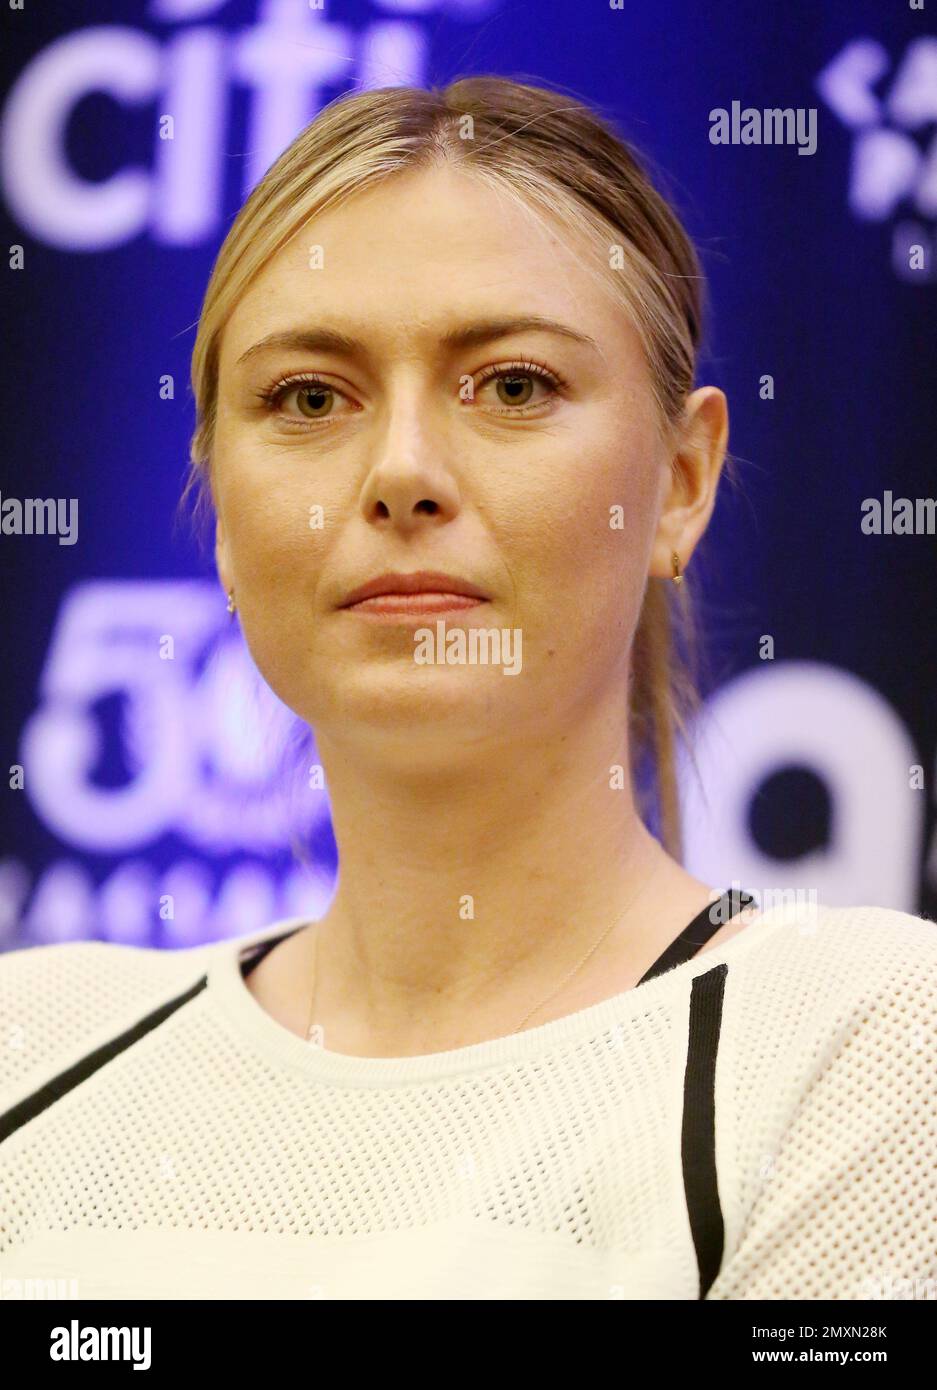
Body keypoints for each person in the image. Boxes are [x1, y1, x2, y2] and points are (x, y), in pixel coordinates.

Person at [2, 77, 935, 1302]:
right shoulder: (34, 1046)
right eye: (309, 398)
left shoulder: (860, 1046)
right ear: (222, 513)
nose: (399, 474)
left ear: (680, 481)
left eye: (510, 386)